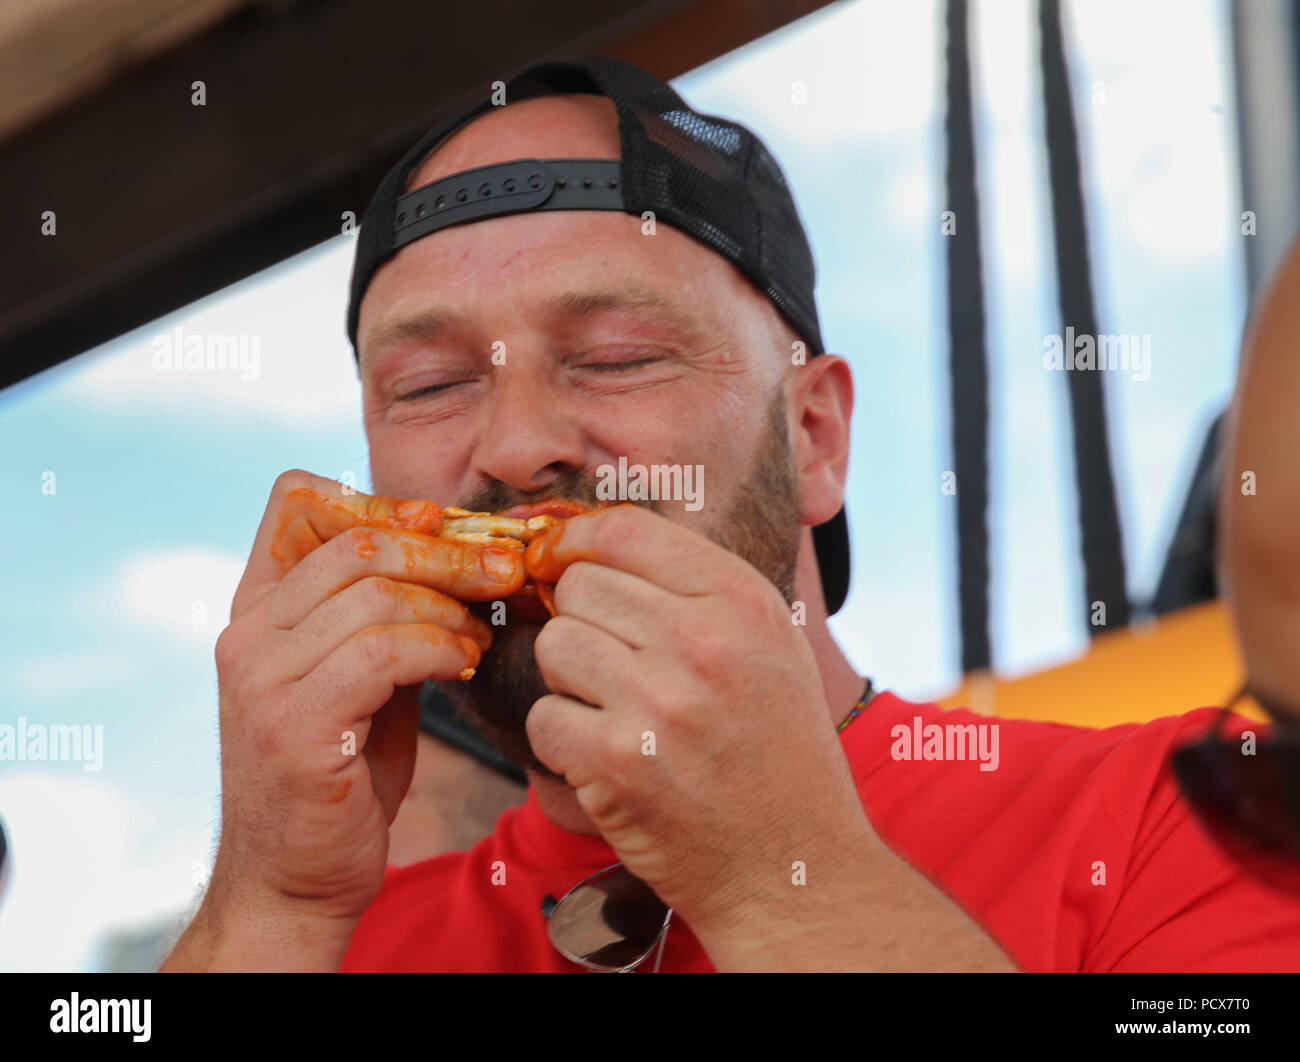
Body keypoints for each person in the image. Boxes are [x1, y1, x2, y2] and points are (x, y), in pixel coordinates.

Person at [161, 56, 1300, 972]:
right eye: (429, 386)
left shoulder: (1202, 827)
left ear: (814, 437)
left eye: (614, 358)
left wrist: (781, 882)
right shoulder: (333, 943)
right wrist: (265, 909)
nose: (514, 448)